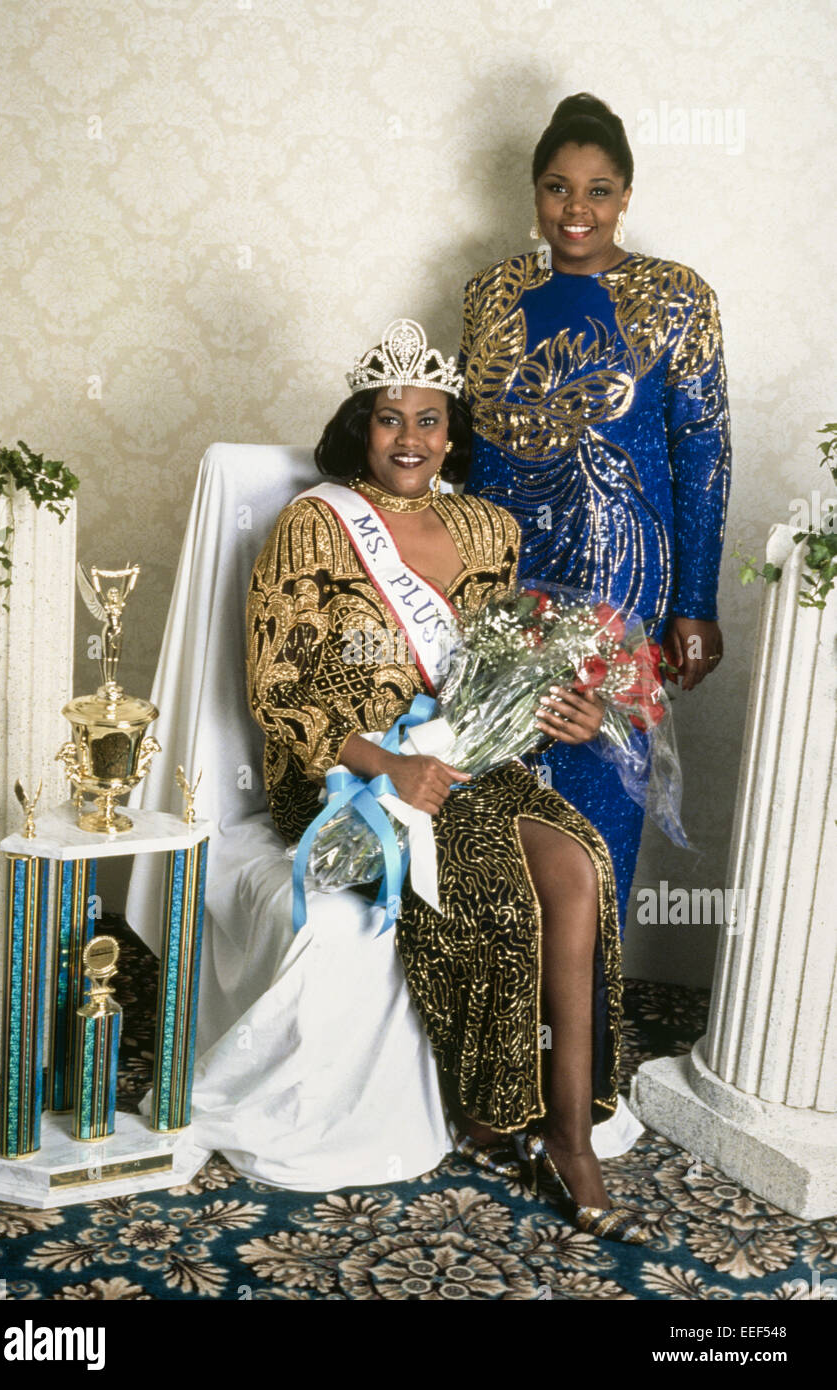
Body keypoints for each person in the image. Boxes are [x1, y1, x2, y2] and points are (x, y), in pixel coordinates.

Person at [245, 317, 649, 1242]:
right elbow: (278, 688)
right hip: (351, 771)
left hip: (465, 755)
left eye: (429, 421)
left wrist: (577, 707)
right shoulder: (313, 526)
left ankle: (571, 1131)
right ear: (361, 426)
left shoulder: (487, 527)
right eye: (390, 419)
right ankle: (496, 1104)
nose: (410, 440)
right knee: (501, 889)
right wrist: (391, 763)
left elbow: (512, 663)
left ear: (451, 434)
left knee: (581, 863)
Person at [459, 92, 732, 934]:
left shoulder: (677, 296)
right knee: (490, 798)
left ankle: (584, 1039)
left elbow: (703, 450)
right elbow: (465, 443)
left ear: (625, 195)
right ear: (533, 193)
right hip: (502, 580)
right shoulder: (489, 293)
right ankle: (500, 1036)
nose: (575, 210)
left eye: (598, 190)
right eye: (556, 187)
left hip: (622, 581)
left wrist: (695, 601)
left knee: (597, 804)